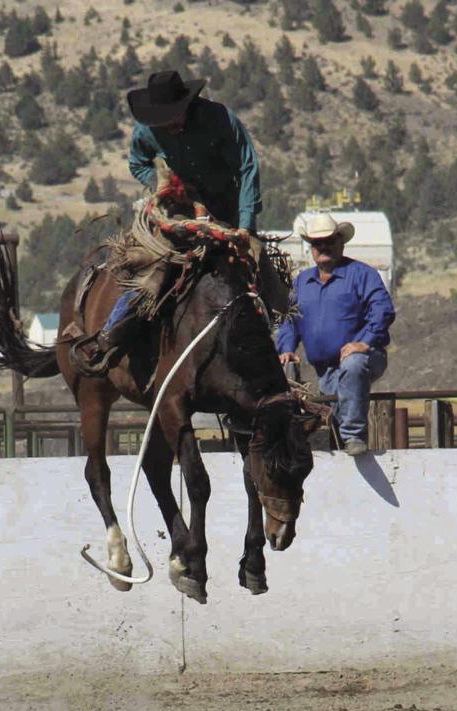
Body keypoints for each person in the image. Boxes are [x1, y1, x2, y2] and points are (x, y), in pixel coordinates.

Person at [93, 70, 262, 364]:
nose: (168, 125)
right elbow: (138, 163)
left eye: (173, 117)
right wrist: (161, 184)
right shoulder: (146, 130)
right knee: (153, 274)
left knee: (261, 277)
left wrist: (245, 225)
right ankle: (110, 335)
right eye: (162, 119)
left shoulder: (219, 119)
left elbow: (247, 167)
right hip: (177, 214)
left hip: (225, 210)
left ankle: (271, 351)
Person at [276, 213, 395, 456]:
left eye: (329, 241)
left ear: (341, 242)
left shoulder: (361, 274)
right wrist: (286, 348)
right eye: (317, 244)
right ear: (311, 248)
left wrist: (364, 342)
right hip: (325, 369)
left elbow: (382, 310)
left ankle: (354, 435)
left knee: (352, 365)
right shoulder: (302, 282)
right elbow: (290, 319)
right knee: (329, 409)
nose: (323, 248)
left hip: (365, 357)